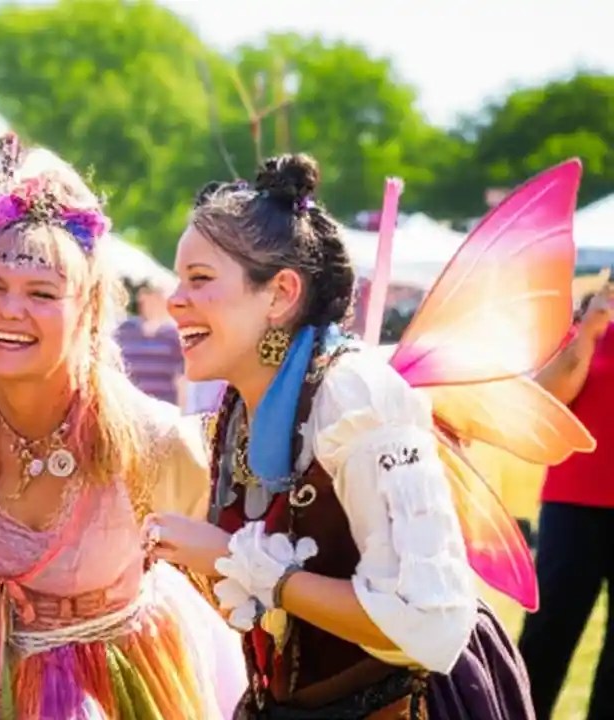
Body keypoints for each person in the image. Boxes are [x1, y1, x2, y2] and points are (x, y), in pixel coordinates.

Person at [148, 154, 589, 718]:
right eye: (179, 278)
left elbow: (428, 624)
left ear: (281, 293)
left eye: (200, 279)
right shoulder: (239, 403)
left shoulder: (355, 395)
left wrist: (239, 561)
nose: (174, 299)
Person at [0, 134, 245, 719]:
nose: (10, 310)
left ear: (88, 312)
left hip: (122, 687)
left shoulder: (152, 439)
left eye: (42, 293)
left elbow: (234, 575)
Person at [519, 286, 614, 720]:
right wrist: (588, 336)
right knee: (548, 632)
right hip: (575, 503)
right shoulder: (588, 323)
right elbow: (546, 399)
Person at [115, 280, 186, 407]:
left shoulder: (176, 335)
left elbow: (182, 381)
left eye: (159, 297)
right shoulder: (124, 330)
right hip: (130, 408)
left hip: (164, 411)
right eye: (148, 296)